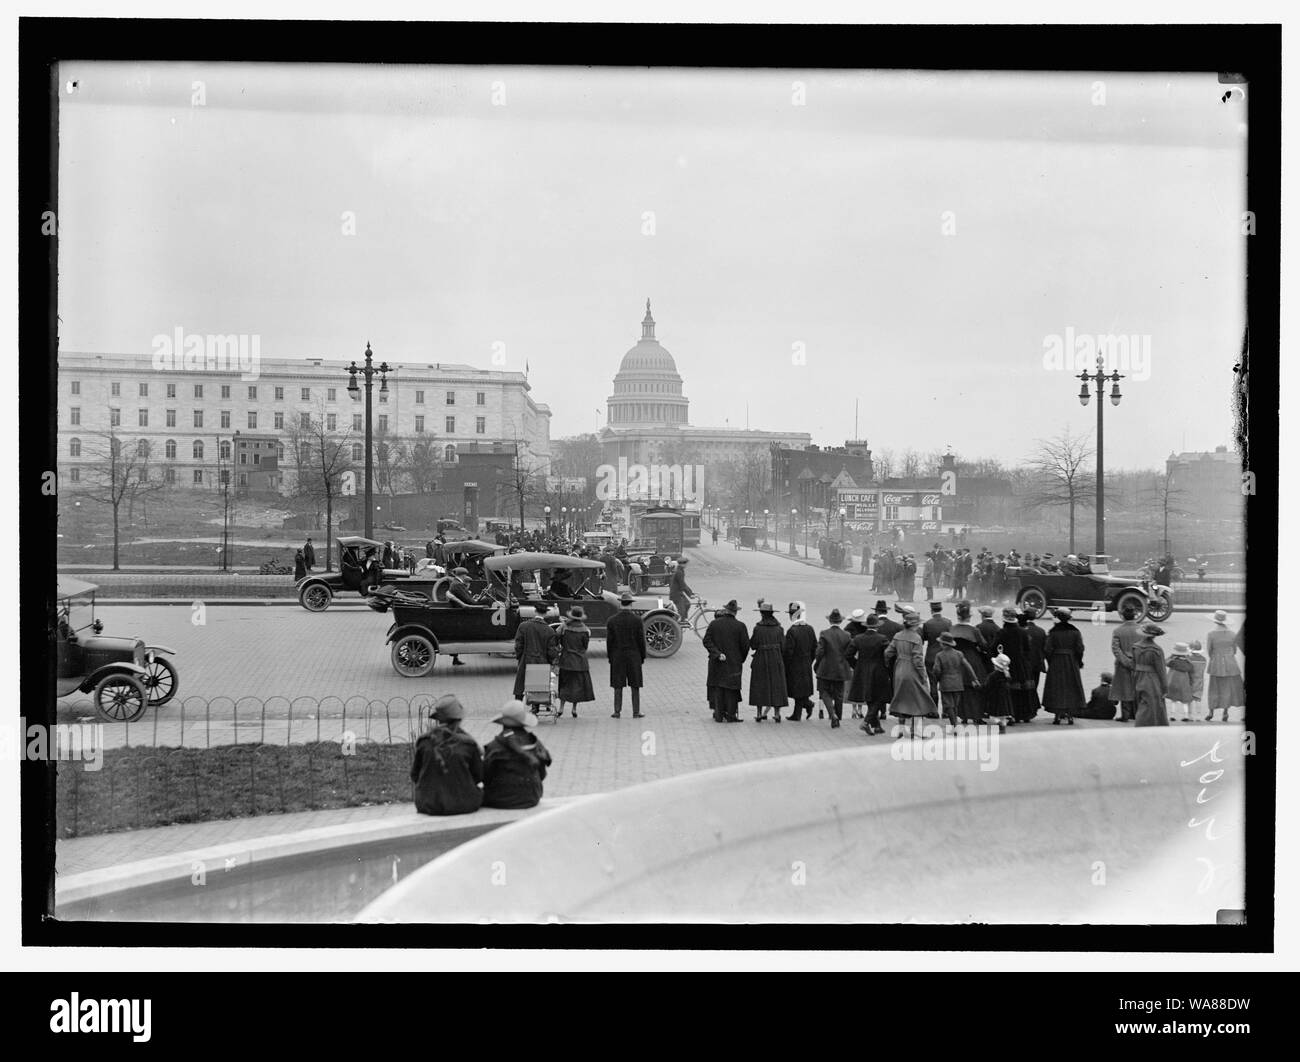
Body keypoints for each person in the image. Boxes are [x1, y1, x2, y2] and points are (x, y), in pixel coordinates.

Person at [410, 694, 483, 816]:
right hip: (463, 804)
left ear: (438, 720)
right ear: (459, 719)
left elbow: (415, 775)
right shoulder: (467, 744)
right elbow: (479, 776)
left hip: (428, 804)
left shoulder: (424, 742)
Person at [482, 700, 552, 809]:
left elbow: (486, 777)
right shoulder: (535, 743)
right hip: (532, 797)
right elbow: (542, 775)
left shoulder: (495, 746)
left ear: (503, 723)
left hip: (500, 799)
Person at [885, 610, 935, 737]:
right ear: (915, 625)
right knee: (918, 700)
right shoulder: (916, 638)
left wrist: (889, 664)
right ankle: (916, 730)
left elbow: (888, 653)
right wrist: (923, 675)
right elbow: (917, 659)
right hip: (912, 670)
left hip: (899, 669)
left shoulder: (897, 635)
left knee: (901, 698)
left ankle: (901, 729)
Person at [845, 613, 892, 735]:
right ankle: (866, 722)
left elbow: (848, 655)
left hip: (862, 671)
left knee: (870, 698)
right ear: (877, 626)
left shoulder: (858, 638)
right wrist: (887, 667)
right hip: (879, 671)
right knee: (880, 697)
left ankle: (876, 726)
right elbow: (888, 655)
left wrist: (857, 665)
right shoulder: (882, 638)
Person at [704, 599, 749, 723]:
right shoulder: (740, 626)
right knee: (732, 689)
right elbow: (745, 646)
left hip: (717, 662)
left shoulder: (714, 624)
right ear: (735, 612)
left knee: (718, 688)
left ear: (726, 610)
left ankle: (718, 715)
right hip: (734, 662)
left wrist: (717, 654)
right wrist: (740, 659)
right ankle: (731, 715)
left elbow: (706, 641)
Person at [606, 591, 647, 718]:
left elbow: (609, 642)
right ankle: (636, 711)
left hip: (617, 656)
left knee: (618, 685)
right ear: (631, 604)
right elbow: (641, 640)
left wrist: (610, 657)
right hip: (633, 655)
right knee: (635, 685)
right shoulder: (637, 620)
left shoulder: (612, 621)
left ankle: (617, 711)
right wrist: (642, 656)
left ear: (621, 603)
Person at [1042, 607, 1085, 725]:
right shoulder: (1075, 632)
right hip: (1071, 660)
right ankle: (1070, 715)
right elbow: (1080, 648)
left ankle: (1057, 715)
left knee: (1057, 687)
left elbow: (1047, 649)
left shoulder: (1053, 632)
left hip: (1057, 660)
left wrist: (1051, 661)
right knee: (1071, 687)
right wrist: (1079, 661)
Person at [949, 601, 990, 725]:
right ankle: (977, 716)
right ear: (969, 616)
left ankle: (963, 716)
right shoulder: (974, 630)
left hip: (956, 660)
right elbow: (983, 645)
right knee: (975, 688)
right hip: (972, 659)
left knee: (960, 688)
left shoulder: (952, 628)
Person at [748, 601, 788, 722]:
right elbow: (784, 646)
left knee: (759, 685)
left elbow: (753, 645)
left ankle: (759, 713)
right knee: (777, 685)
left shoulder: (758, 628)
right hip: (776, 658)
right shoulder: (779, 628)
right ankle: (776, 713)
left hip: (761, 658)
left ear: (761, 614)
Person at [813, 608, 852, 728]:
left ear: (830, 621)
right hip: (841, 669)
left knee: (824, 692)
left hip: (826, 668)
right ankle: (838, 717)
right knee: (839, 694)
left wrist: (817, 664)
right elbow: (849, 652)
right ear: (840, 621)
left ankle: (832, 714)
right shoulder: (847, 635)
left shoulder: (824, 633)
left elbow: (819, 652)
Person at [931, 631, 977, 729]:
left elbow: (937, 670)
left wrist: (937, 678)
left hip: (945, 683)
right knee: (955, 705)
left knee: (948, 705)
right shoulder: (959, 654)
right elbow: (968, 666)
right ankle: (955, 722)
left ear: (943, 644)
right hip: (958, 683)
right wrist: (974, 679)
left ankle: (954, 725)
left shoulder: (939, 655)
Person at [512, 605, 559, 702]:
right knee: (538, 686)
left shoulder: (523, 626)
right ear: (545, 614)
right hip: (542, 661)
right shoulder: (549, 630)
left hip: (526, 659)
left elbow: (518, 645)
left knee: (520, 685)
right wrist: (550, 661)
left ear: (535, 612)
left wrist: (520, 657)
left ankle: (518, 705)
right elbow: (551, 650)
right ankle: (535, 707)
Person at [1205, 610, 1245, 721]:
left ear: (1215, 621)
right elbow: (1235, 650)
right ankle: (1225, 712)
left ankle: (1211, 712)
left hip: (1216, 663)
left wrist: (1215, 657)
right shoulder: (1232, 634)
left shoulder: (1211, 634)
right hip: (1230, 663)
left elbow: (1209, 650)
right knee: (1227, 688)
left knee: (1214, 687)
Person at [556, 606, 595, 719]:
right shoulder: (585, 630)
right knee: (577, 687)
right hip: (580, 662)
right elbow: (585, 646)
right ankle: (574, 709)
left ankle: (561, 708)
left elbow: (556, 636)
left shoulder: (564, 627)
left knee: (564, 685)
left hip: (566, 660)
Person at [783, 601, 818, 721]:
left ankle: (800, 711)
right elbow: (815, 647)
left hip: (795, 665)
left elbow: (789, 651)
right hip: (806, 662)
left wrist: (786, 664)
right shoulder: (810, 629)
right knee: (802, 688)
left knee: (797, 689)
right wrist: (810, 660)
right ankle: (804, 707)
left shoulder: (792, 631)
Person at [1110, 603, 1144, 722]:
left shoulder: (1118, 631)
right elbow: (1143, 648)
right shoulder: (1141, 630)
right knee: (1137, 689)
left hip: (1122, 665)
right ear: (1135, 616)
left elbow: (1116, 649)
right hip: (1138, 663)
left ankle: (1125, 715)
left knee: (1124, 690)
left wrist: (1125, 661)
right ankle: (1137, 714)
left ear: (1123, 616)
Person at [1132, 623, 1169, 727]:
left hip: (1138, 676)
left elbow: (1133, 664)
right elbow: (1161, 670)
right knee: (1153, 704)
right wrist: (1165, 688)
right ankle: (1147, 725)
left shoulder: (1135, 647)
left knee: (1142, 702)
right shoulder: (1156, 650)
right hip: (1152, 679)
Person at [920, 601, 952, 703]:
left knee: (933, 683)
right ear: (941, 609)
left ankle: (933, 709)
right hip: (945, 656)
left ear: (931, 610)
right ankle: (946, 711)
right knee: (945, 683)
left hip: (931, 656)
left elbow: (923, 639)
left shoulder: (927, 623)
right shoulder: (948, 622)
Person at [1166, 642, 1194, 722]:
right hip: (1184, 684)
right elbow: (1191, 669)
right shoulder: (1188, 663)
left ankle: (1172, 715)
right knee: (1185, 701)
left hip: (1172, 683)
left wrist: (1171, 657)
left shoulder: (1172, 662)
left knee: (1173, 700)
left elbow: (1165, 662)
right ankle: (1185, 715)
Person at [669, 557, 694, 627]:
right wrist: (690, 594)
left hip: (679, 593)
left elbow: (684, 584)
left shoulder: (680, 571)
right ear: (683, 564)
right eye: (686, 564)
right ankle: (679, 623)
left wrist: (691, 593)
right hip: (676, 594)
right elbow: (682, 585)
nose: (687, 565)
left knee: (687, 604)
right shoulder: (679, 572)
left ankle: (684, 619)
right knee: (681, 610)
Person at [1188, 640, 1208, 716]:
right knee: (1198, 700)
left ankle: (1190, 715)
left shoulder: (1189, 658)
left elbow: (1188, 669)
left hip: (1190, 681)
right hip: (1200, 681)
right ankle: (1198, 716)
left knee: (1189, 700)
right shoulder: (1204, 659)